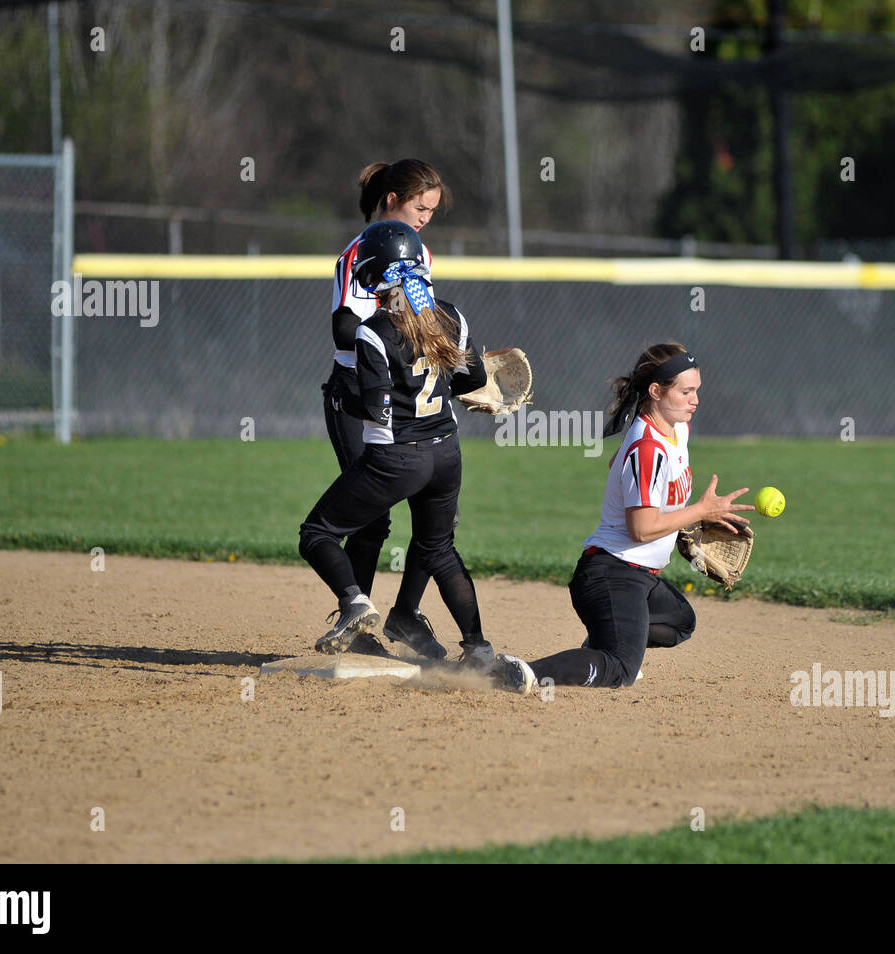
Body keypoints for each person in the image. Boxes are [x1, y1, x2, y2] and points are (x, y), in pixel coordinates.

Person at [299, 220, 536, 695]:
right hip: (447, 453)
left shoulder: (371, 332)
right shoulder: (452, 316)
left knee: (317, 533)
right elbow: (467, 382)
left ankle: (354, 603)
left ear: (374, 272)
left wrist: (351, 410)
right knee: (439, 549)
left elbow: (377, 410)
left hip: (396, 458)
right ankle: (478, 649)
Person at [522, 343, 754, 689]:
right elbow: (641, 529)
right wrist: (702, 510)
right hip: (611, 574)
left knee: (680, 622)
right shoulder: (648, 447)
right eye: (686, 391)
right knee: (621, 670)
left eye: (696, 391)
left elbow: (616, 464)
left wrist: (687, 523)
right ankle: (525, 672)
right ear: (656, 391)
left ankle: (604, 642)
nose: (696, 400)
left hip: (639, 576)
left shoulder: (676, 431)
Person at [324, 159, 452, 660]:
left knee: (438, 514)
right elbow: (341, 328)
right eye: (420, 207)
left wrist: (457, 370)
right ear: (392, 200)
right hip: (357, 392)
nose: (425, 218)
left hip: (407, 392)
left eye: (432, 211)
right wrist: (385, 338)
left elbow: (422, 326)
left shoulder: (420, 254)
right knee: (370, 515)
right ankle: (355, 621)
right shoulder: (360, 253)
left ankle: (404, 613)